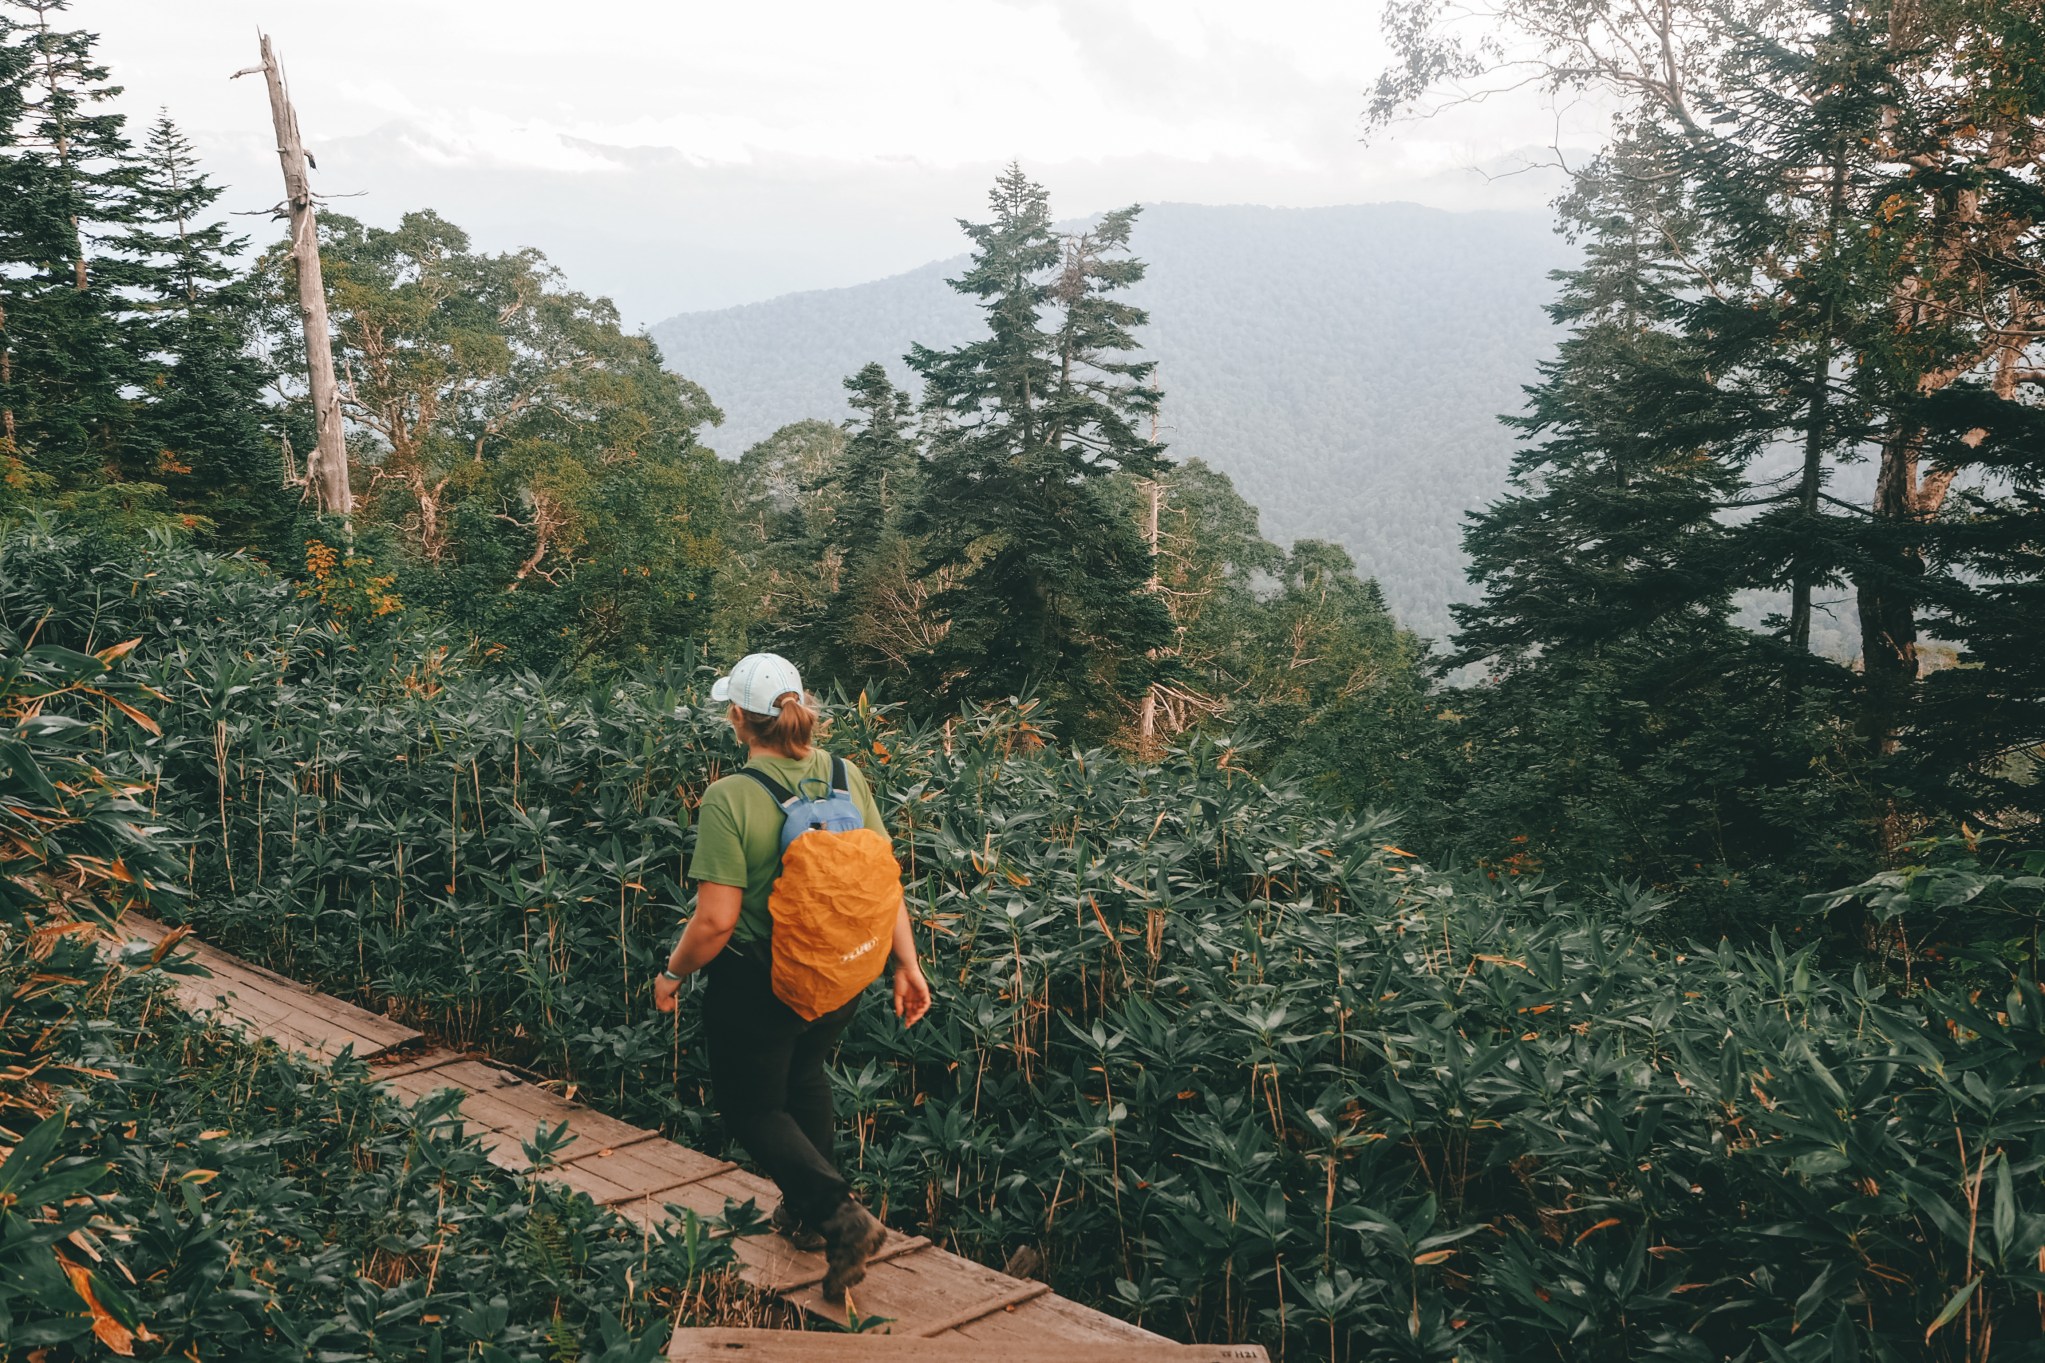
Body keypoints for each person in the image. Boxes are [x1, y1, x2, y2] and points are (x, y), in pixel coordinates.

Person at [653, 652, 932, 1304]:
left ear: (737, 718)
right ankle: (807, 1218)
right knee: (804, 1077)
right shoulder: (845, 774)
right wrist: (907, 963)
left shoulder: (730, 796)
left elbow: (715, 921)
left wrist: (671, 972)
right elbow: (882, 881)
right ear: (801, 707)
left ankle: (840, 1218)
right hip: (842, 971)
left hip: (762, 982)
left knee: (750, 1106)